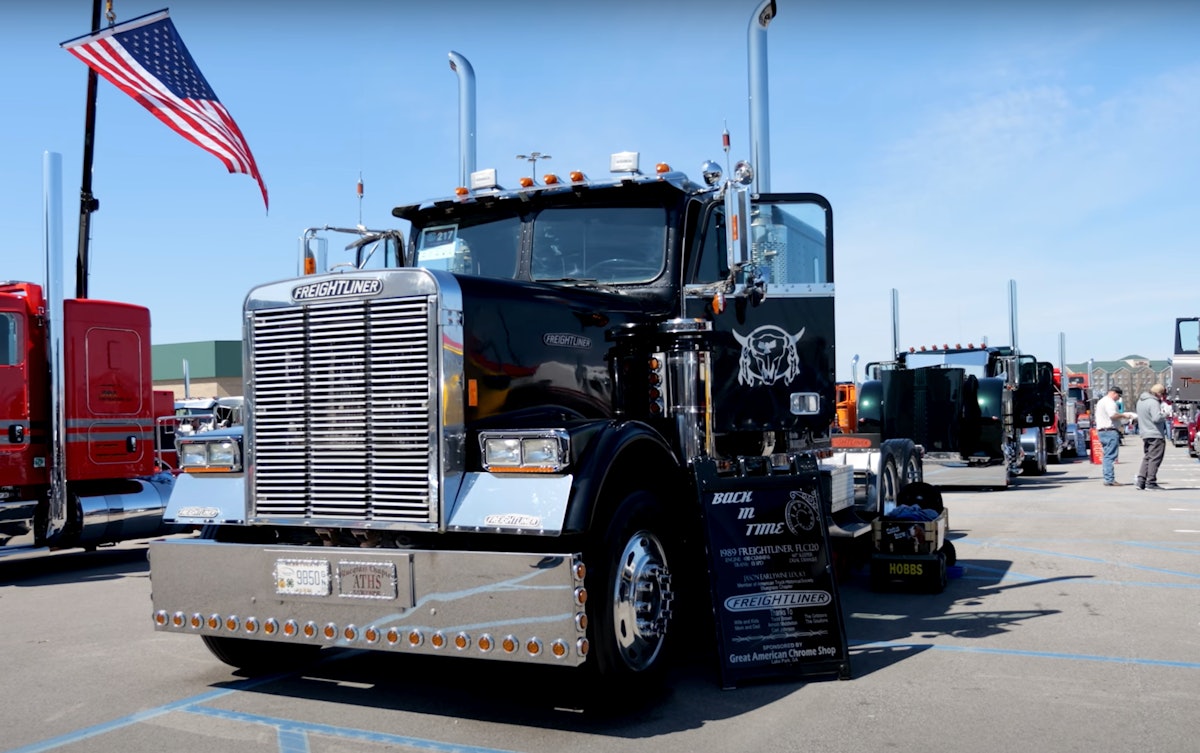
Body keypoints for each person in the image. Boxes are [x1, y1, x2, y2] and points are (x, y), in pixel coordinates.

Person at [1094, 386, 1136, 486]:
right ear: (1114, 393)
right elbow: (1112, 415)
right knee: (1110, 456)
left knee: (1107, 455)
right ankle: (1109, 479)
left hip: (1102, 430)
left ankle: (1108, 477)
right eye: (1118, 396)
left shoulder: (1102, 401)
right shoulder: (1109, 402)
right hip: (1109, 431)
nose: (1118, 398)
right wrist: (1124, 415)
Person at [1135, 383, 1169, 490]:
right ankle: (1151, 482)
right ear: (1158, 393)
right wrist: (1166, 414)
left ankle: (1141, 481)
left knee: (1147, 457)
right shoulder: (1153, 402)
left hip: (1145, 432)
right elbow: (1156, 418)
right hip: (1155, 433)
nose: (1163, 397)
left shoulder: (1141, 401)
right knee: (1155, 458)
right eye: (1162, 394)